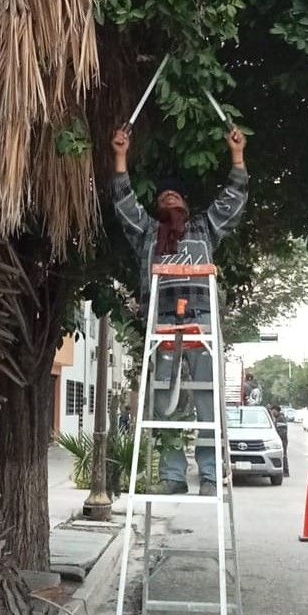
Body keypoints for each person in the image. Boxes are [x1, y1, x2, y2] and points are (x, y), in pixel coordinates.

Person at [112, 125, 248, 496]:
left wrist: (237, 156)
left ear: (186, 206)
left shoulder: (203, 230)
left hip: (201, 324)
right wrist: (121, 157)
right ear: (157, 209)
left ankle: (207, 475)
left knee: (206, 401)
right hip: (161, 324)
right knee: (164, 403)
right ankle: (173, 476)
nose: (168, 198)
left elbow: (232, 201)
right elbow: (124, 204)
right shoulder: (147, 235)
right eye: (163, 196)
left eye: (175, 195)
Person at [270, 405, 289, 477]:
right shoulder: (277, 418)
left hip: (282, 440)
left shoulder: (281, 418)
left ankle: (286, 471)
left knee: (283, 455)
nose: (272, 413)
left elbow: (282, 431)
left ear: (275, 410)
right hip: (280, 439)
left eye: (272, 411)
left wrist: (277, 438)